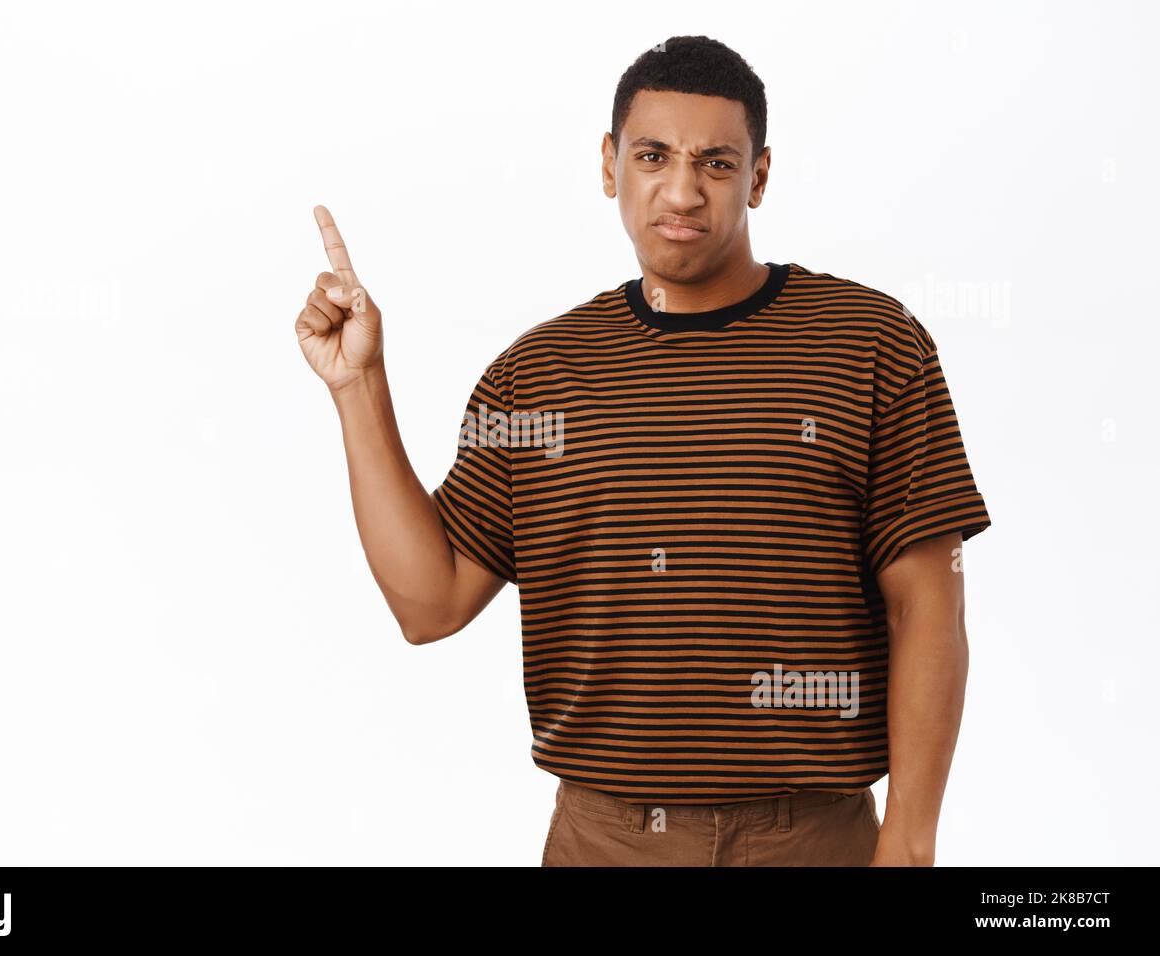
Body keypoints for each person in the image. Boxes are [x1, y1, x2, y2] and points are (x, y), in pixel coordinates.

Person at [296, 35, 991, 867]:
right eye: (653, 156)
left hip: (814, 839)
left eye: (716, 163)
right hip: (604, 842)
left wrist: (910, 845)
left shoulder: (869, 344)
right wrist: (358, 385)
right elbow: (430, 603)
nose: (682, 191)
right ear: (609, 164)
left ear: (759, 177)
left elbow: (928, 607)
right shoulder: (534, 376)